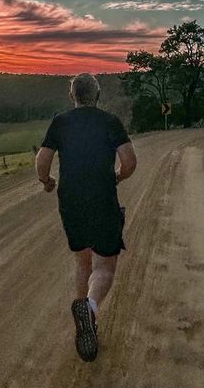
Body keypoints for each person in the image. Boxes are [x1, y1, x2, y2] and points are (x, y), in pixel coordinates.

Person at [35, 73, 137, 362]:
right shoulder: (110, 122)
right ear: (98, 94)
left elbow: (42, 160)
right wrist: (117, 177)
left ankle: (84, 319)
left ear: (72, 96)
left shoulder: (60, 122)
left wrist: (46, 181)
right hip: (102, 198)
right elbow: (129, 162)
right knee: (105, 265)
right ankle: (90, 308)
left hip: (70, 200)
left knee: (83, 261)